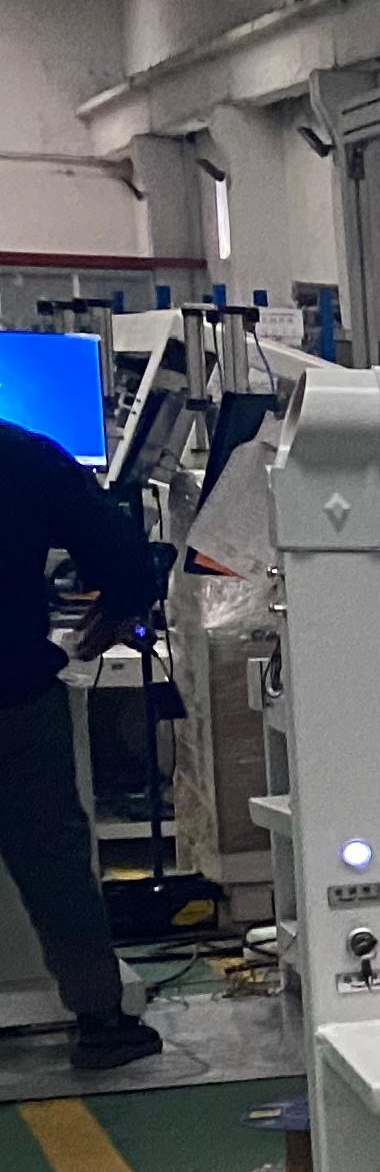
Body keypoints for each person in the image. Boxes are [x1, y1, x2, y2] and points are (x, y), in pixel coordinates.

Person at [0, 416, 165, 1070]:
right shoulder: (23, 455)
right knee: (52, 860)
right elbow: (123, 554)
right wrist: (118, 610)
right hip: (13, 694)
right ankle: (101, 1019)